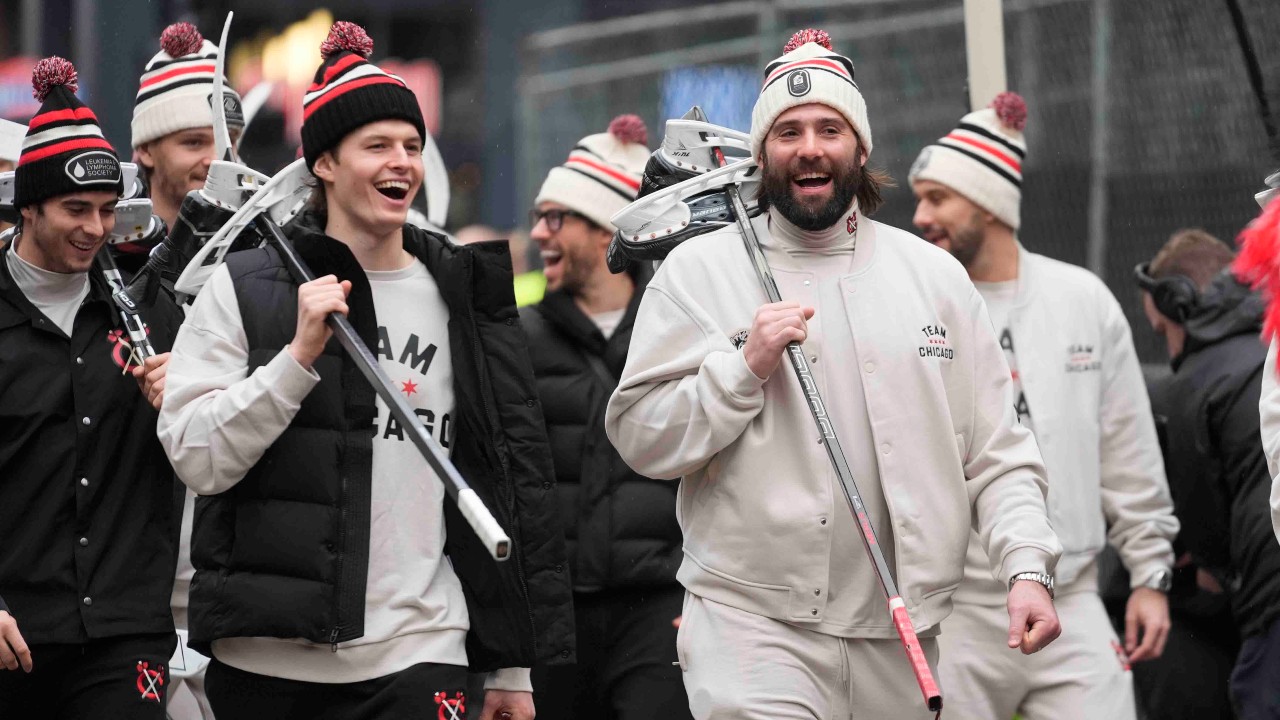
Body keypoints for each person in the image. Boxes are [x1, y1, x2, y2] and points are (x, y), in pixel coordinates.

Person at [605, 29, 1063, 720]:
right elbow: (641, 436)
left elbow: (999, 455)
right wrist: (741, 370)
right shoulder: (698, 272)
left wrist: (1026, 567)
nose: (809, 147)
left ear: (862, 148)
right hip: (752, 625)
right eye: (787, 132)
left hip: (904, 632)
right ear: (762, 154)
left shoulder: (934, 278)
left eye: (829, 128)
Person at [155, 23, 573, 720]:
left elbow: (502, 479)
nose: (402, 163)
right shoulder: (246, 287)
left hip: (420, 649)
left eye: (412, 146)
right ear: (324, 163)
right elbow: (197, 456)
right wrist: (294, 362)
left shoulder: (462, 293)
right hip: (268, 657)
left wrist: (512, 666)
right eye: (377, 145)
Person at [909, 91, 1179, 720]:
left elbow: (1127, 449)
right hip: (955, 613)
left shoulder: (1081, 298)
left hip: (1075, 596)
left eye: (938, 198)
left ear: (991, 206)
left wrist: (1149, 573)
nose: (919, 216)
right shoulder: (915, 305)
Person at [0, 57, 184, 718]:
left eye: (108, 210)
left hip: (124, 635)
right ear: (27, 205)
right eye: (75, 208)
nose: (96, 229)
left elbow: (212, 446)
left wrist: (184, 404)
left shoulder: (147, 306)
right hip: (13, 632)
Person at [521, 114, 690, 719]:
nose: (538, 233)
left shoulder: (678, 330)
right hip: (552, 619)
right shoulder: (519, 338)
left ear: (605, 235)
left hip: (657, 613)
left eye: (556, 218)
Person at [1138, 228, 1280, 718]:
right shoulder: (1270, 346)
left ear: (1181, 305)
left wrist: (1205, 567)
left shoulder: (1198, 379)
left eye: (1163, 333)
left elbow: (1205, 534)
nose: (1169, 352)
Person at [130, 22, 245, 253]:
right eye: (194, 142)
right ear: (146, 150)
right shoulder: (102, 258)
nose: (216, 159)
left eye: (227, 141)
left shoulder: (263, 249)